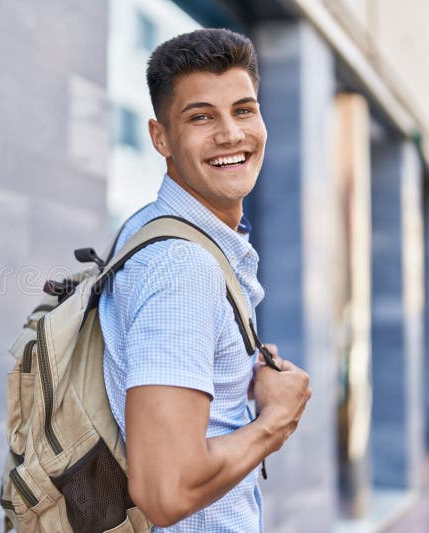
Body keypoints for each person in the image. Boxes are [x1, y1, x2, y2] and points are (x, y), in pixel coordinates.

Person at [99, 28, 312, 531]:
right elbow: (165, 489)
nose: (231, 135)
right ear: (160, 137)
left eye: (243, 110)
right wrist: (276, 420)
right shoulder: (183, 266)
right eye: (201, 117)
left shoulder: (151, 228)